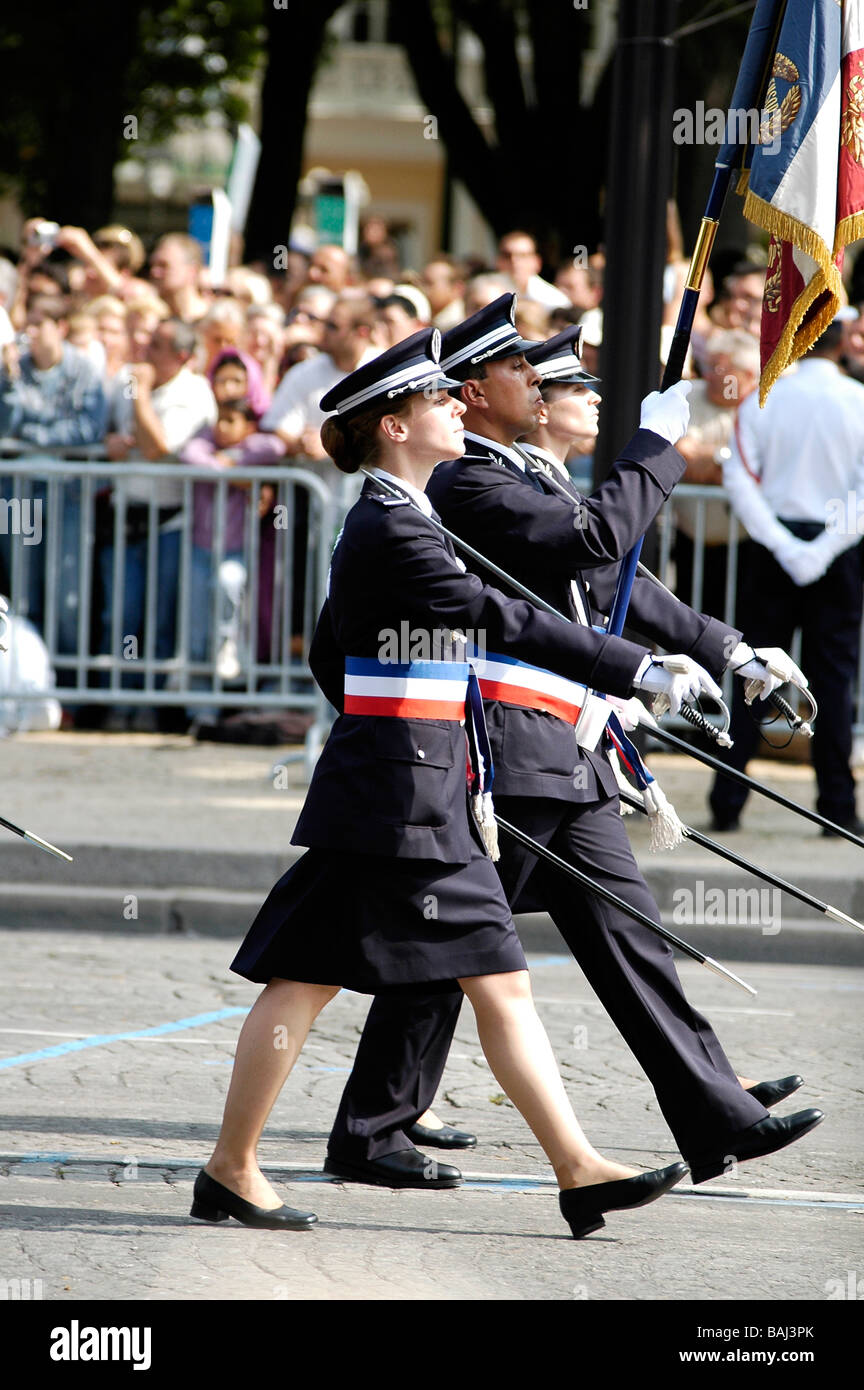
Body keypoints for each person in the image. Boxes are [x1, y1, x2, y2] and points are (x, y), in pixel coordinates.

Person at [193, 327, 697, 1236]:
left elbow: (343, 651)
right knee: (318, 985)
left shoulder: (408, 516)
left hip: (411, 792)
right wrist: (639, 670)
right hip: (402, 805)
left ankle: (575, 1168)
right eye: (436, 400)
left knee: (442, 984)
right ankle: (234, 1167)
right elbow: (499, 617)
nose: (455, 406)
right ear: (394, 425)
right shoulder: (392, 527)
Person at [327, 307, 823, 1189]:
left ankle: (715, 1113)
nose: (576, 391)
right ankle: (372, 1128)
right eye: (543, 375)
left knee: (605, 933)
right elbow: (587, 547)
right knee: (459, 946)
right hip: (509, 747)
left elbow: (614, 582)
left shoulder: (512, 479)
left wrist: (727, 649)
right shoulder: (467, 488)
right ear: (484, 393)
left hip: (560, 744)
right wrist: (658, 449)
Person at [709, 319, 864, 835]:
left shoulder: (763, 397)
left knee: (754, 676)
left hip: (778, 549)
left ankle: (727, 800)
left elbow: (740, 479)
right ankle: (838, 809)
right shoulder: (855, 399)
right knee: (833, 681)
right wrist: (819, 551)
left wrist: (786, 546)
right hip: (833, 547)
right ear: (844, 343)